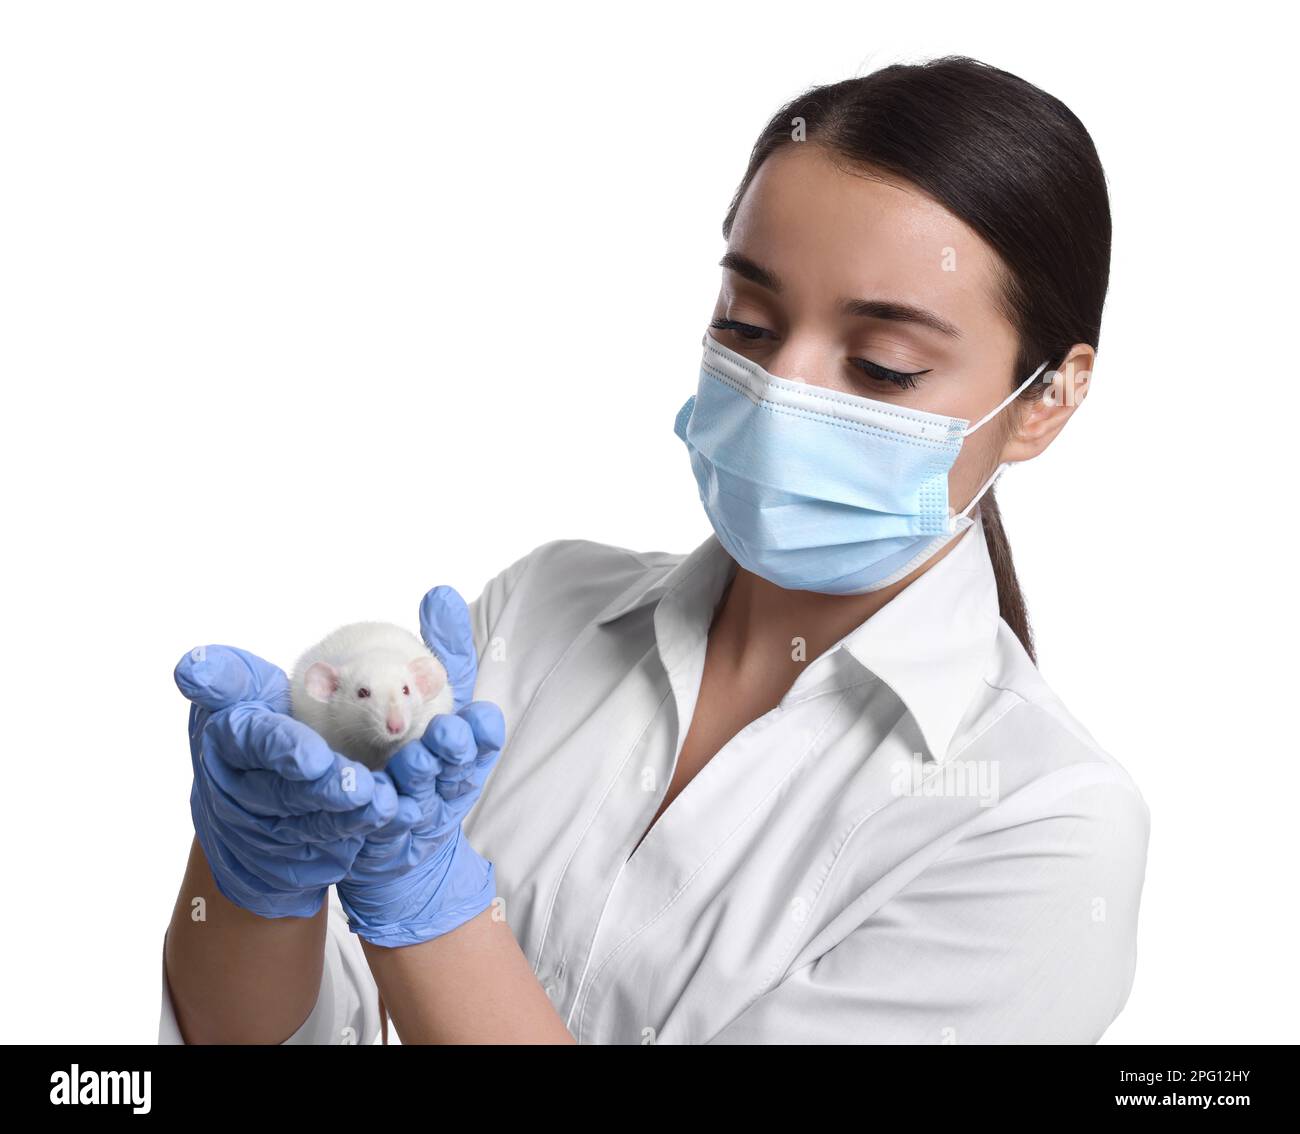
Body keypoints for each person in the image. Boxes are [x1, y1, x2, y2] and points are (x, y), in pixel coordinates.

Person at [159, 55, 1150, 1045]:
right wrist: (254, 879)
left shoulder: (1047, 825)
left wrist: (429, 903)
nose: (782, 391)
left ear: (1045, 401)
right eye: (747, 323)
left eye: (883, 367)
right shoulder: (539, 613)